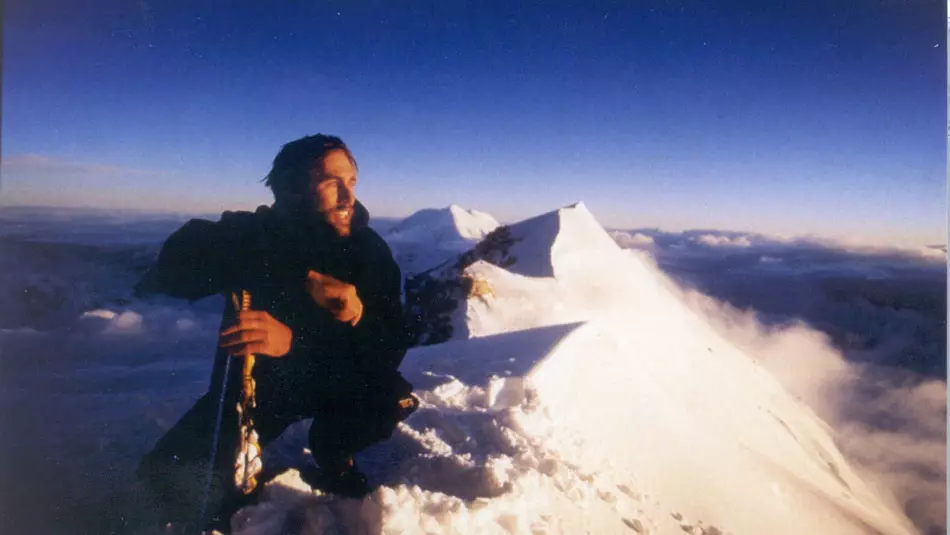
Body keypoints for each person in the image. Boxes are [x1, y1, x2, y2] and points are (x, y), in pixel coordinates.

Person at [133, 134, 418, 532]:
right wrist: (300, 279)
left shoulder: (367, 250)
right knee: (166, 475)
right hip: (263, 389)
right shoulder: (254, 234)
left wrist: (320, 332)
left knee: (387, 396)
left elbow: (388, 346)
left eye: (351, 181)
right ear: (290, 190)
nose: (347, 197)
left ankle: (334, 453)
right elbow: (176, 263)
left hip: (339, 380)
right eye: (329, 181)